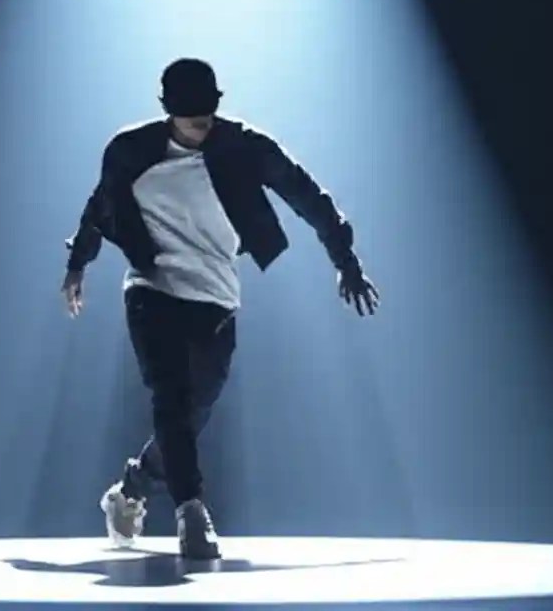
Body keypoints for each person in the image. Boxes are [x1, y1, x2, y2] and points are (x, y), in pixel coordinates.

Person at [62, 58, 380, 559]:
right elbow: (100, 205)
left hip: (214, 294)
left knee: (194, 409)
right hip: (152, 287)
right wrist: (78, 265)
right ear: (168, 112)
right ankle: (192, 512)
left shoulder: (244, 147)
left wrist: (346, 260)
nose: (200, 130)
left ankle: (131, 489)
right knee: (170, 395)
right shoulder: (131, 150)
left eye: (208, 119)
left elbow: (307, 195)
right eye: (191, 122)